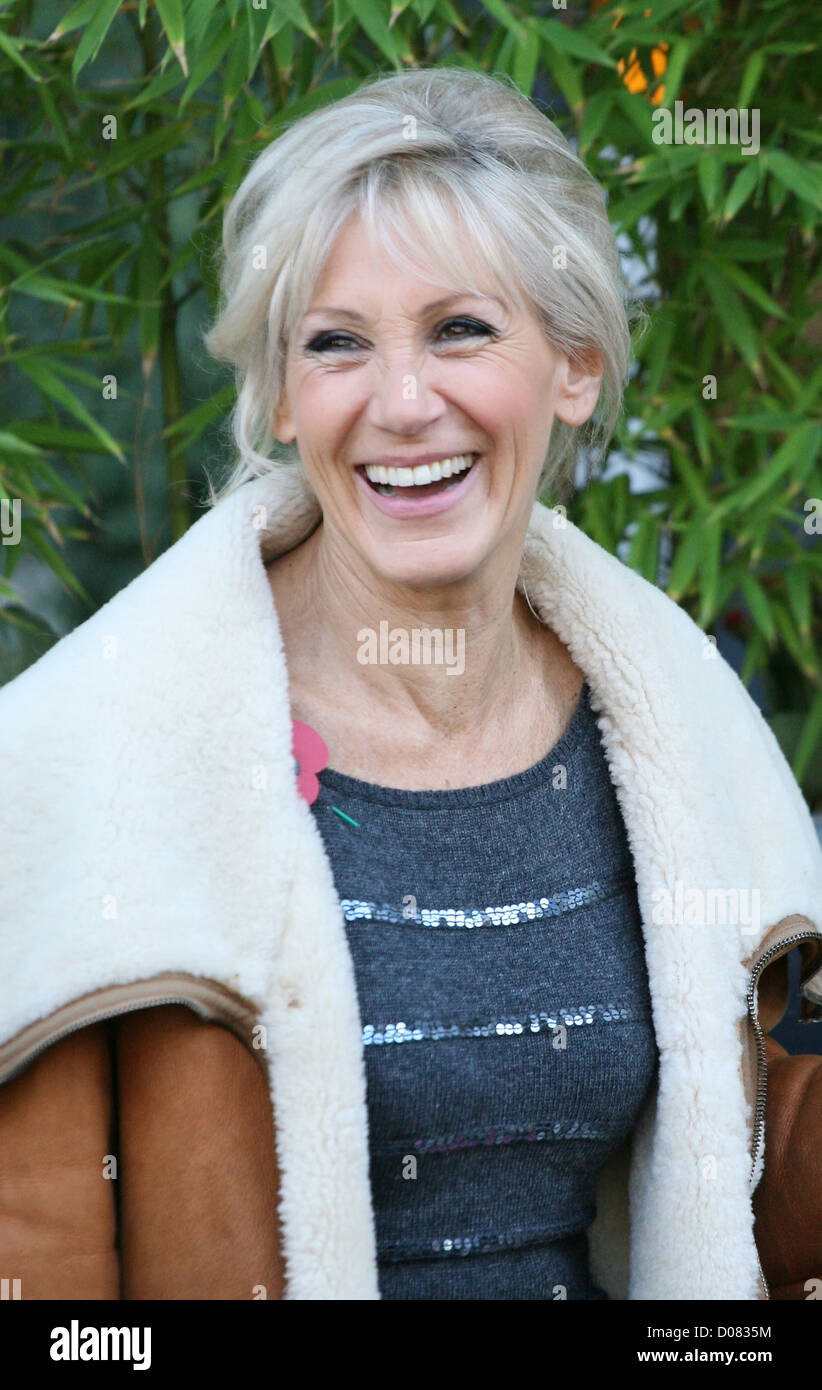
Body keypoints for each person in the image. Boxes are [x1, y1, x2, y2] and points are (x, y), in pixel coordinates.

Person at [1, 66, 820, 1302]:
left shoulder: (687, 737)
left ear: (577, 366)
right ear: (282, 394)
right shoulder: (87, 753)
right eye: (336, 344)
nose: (401, 403)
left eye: (461, 330)